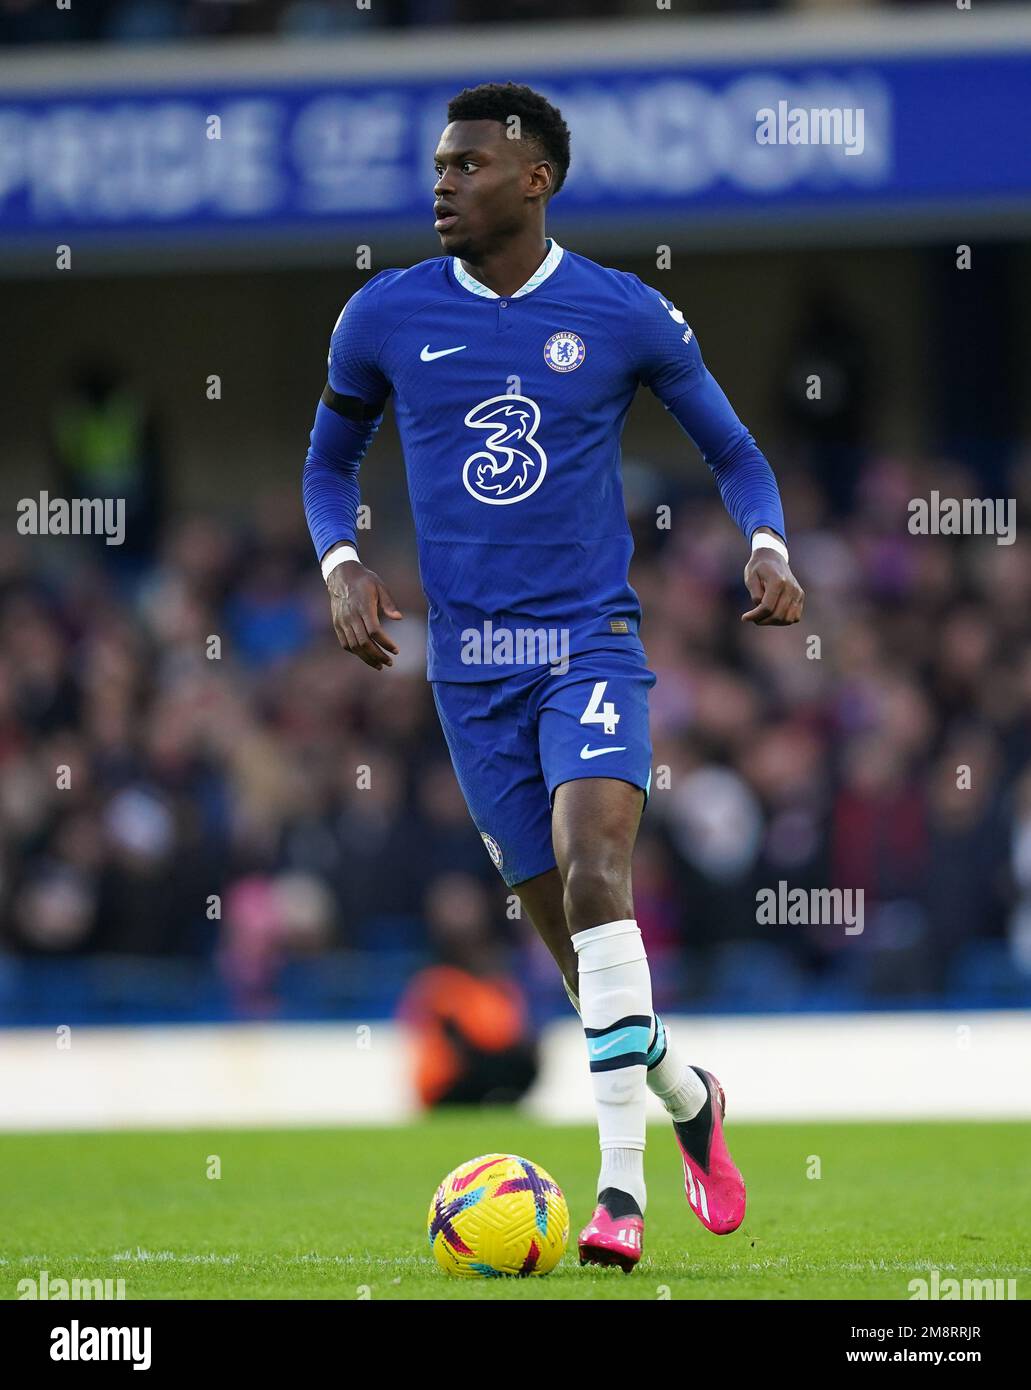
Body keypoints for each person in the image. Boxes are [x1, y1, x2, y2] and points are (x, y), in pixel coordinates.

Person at [302, 83, 805, 1271]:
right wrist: (338, 564)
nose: (441, 183)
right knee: (585, 963)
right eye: (436, 163)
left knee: (596, 877)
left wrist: (768, 541)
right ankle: (691, 1100)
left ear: (533, 180)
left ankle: (617, 1196)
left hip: (587, 645)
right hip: (470, 676)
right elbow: (330, 459)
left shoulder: (623, 314)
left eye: (467, 164)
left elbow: (732, 449)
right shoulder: (381, 316)